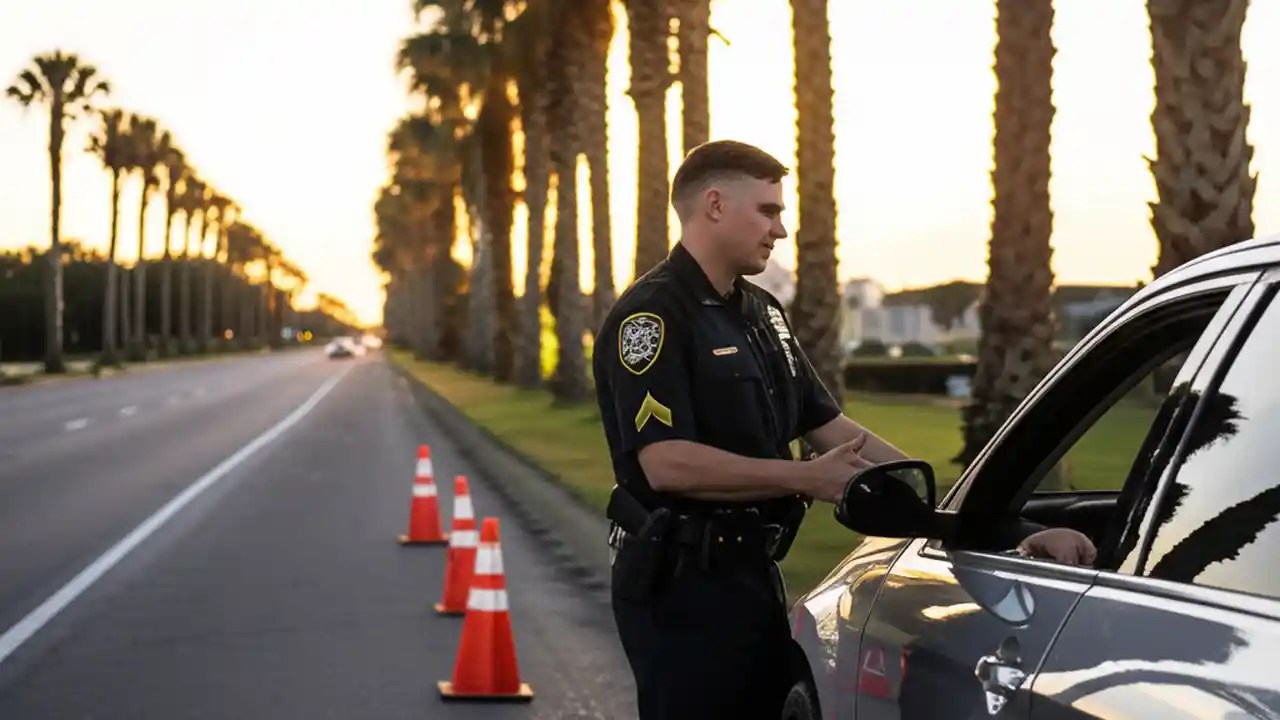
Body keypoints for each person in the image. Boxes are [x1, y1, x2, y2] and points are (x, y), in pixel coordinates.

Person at [592, 140, 907, 719]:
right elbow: (666, 463)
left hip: (752, 576)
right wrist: (805, 479)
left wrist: (939, 495)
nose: (780, 230)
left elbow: (826, 423)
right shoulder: (652, 316)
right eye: (767, 210)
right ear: (714, 205)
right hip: (680, 587)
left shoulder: (763, 312)